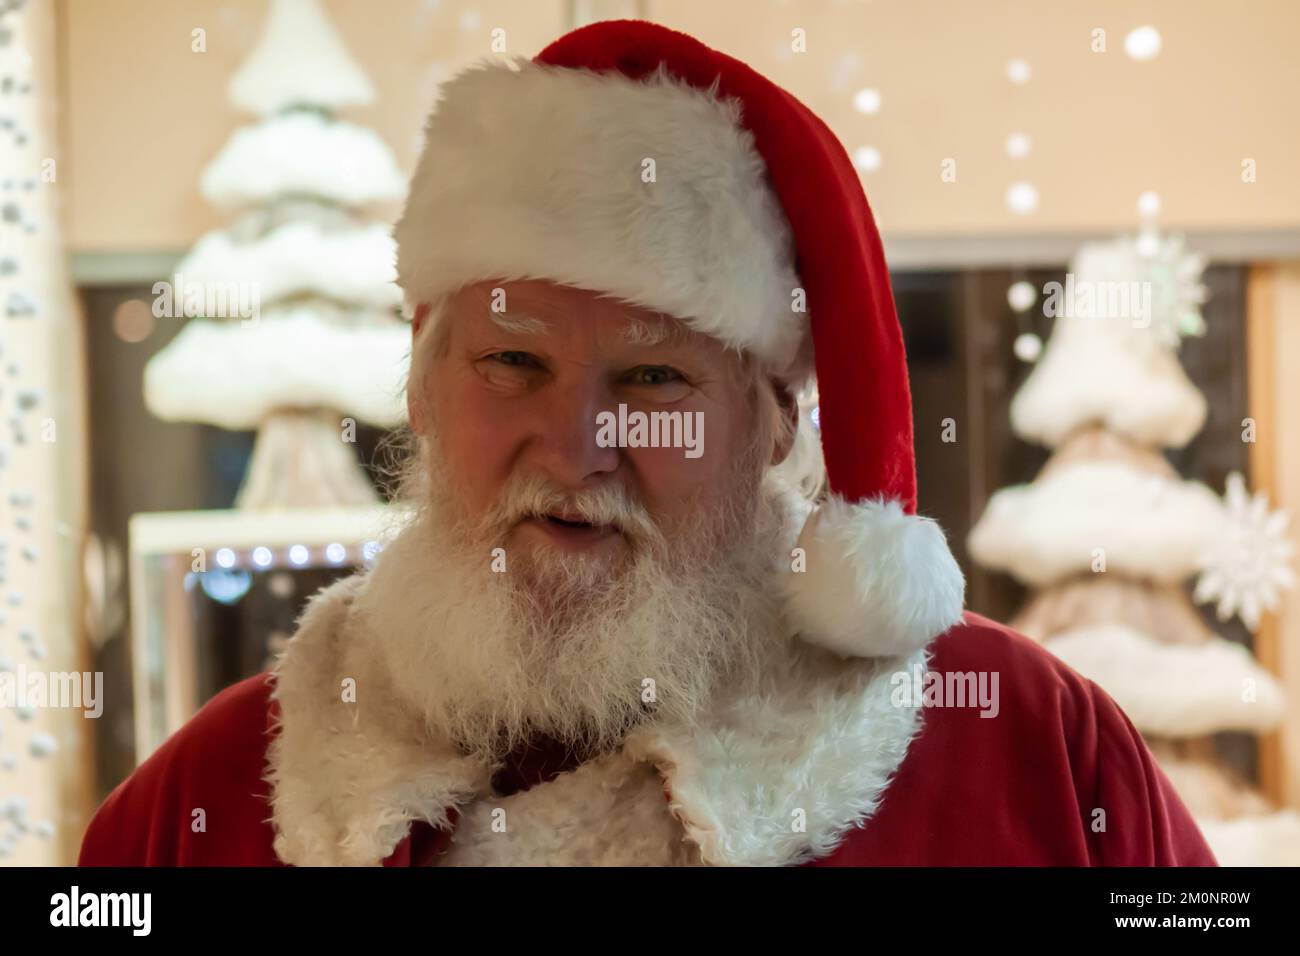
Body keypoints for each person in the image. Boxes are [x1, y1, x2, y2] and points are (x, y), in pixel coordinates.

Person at [79, 18, 1216, 867]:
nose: (578, 447)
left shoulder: (1029, 753)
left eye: (654, 376)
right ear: (420, 384)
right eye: (511, 363)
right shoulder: (211, 801)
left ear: (775, 419)